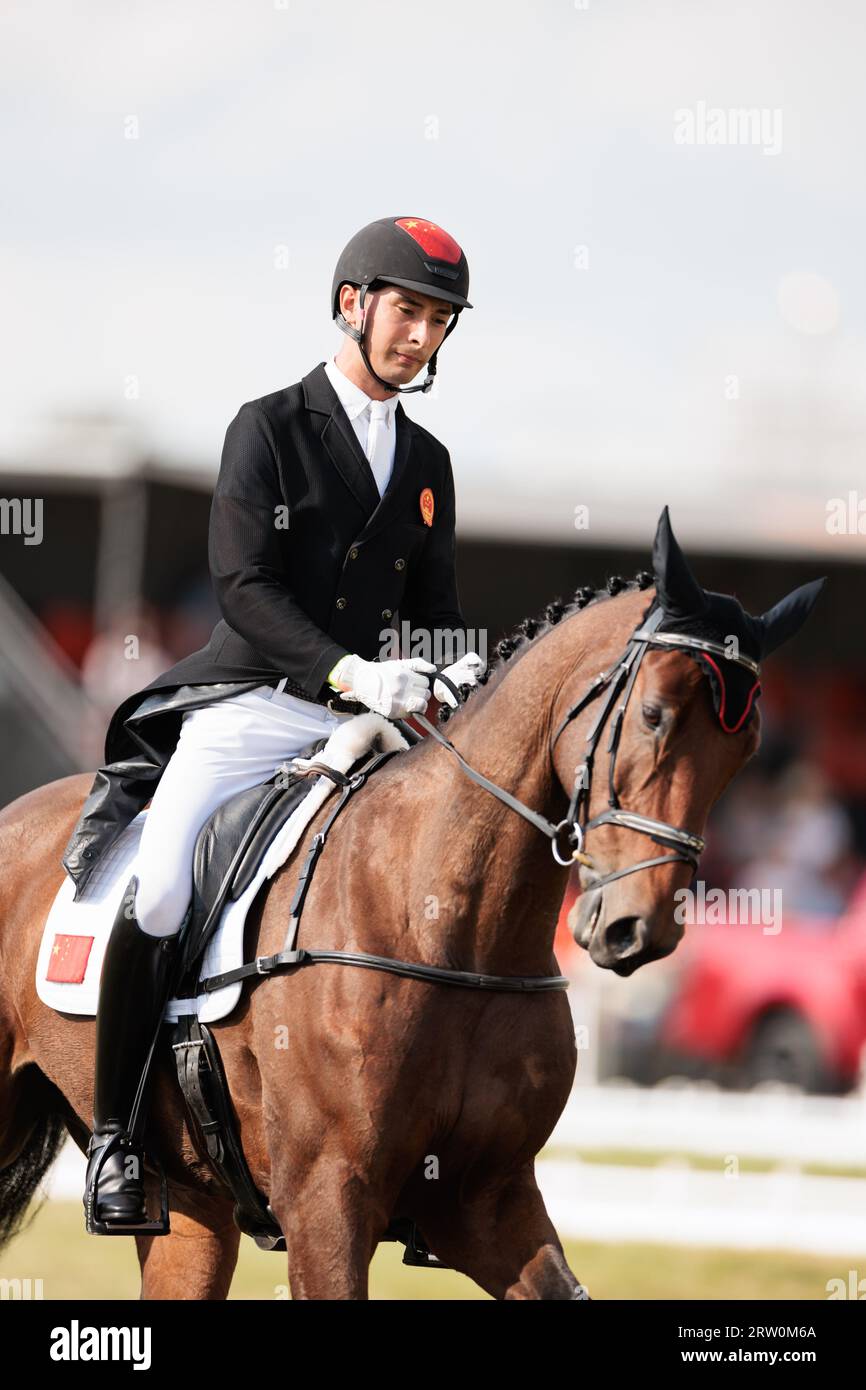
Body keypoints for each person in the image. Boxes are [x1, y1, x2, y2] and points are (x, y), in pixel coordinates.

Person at [69, 215, 486, 1232]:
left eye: (437, 320)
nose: (419, 335)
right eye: (407, 311)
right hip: (254, 703)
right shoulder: (269, 426)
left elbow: (431, 606)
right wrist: (348, 668)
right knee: (163, 882)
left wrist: (455, 664)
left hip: (363, 722)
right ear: (353, 304)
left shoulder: (426, 460)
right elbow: (243, 586)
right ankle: (120, 1141)